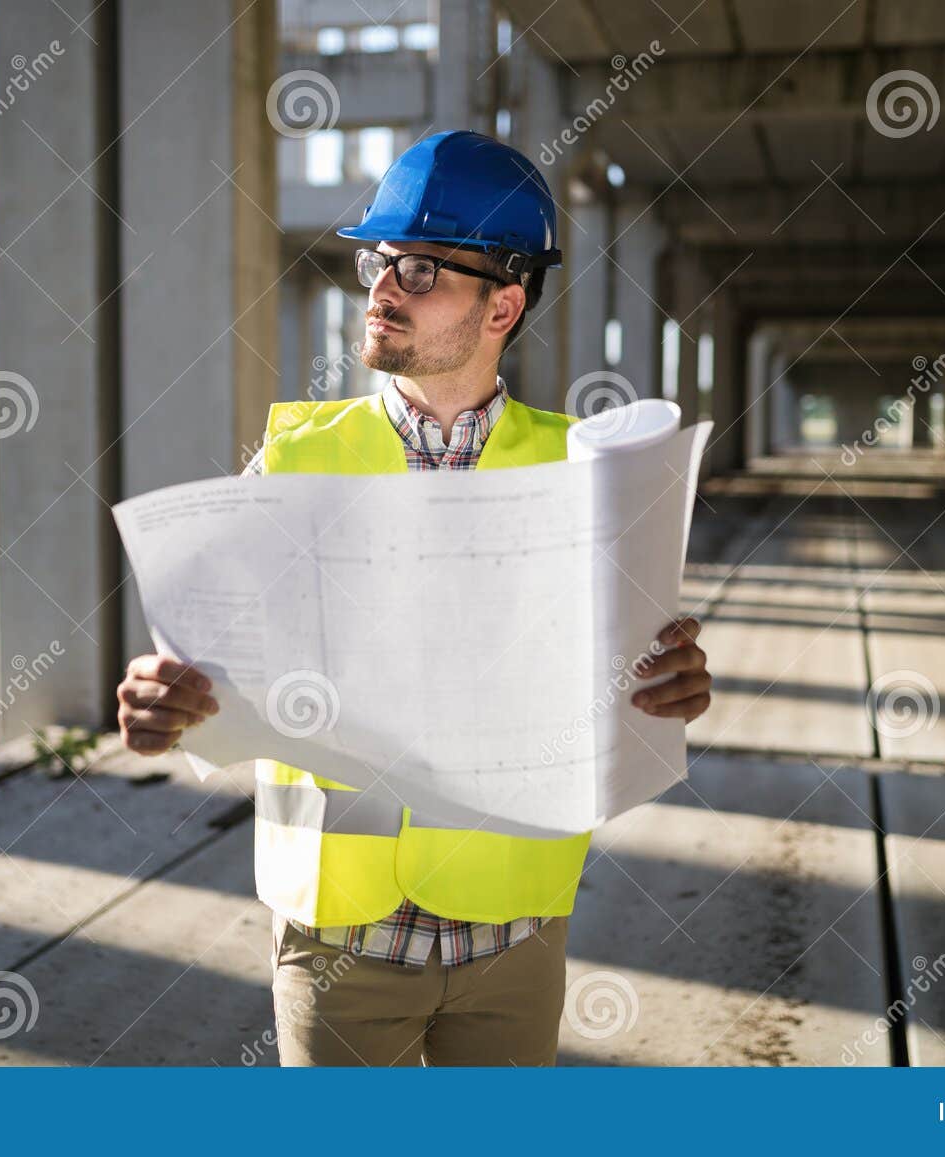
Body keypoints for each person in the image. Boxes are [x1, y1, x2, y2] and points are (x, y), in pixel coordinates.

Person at [116, 130, 711, 1066]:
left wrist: (666, 683)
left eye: (421, 270)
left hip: (511, 936)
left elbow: (628, 675)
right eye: (376, 262)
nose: (382, 289)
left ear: (503, 304)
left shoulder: (582, 471)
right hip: (338, 942)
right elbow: (218, 671)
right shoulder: (296, 461)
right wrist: (168, 706)